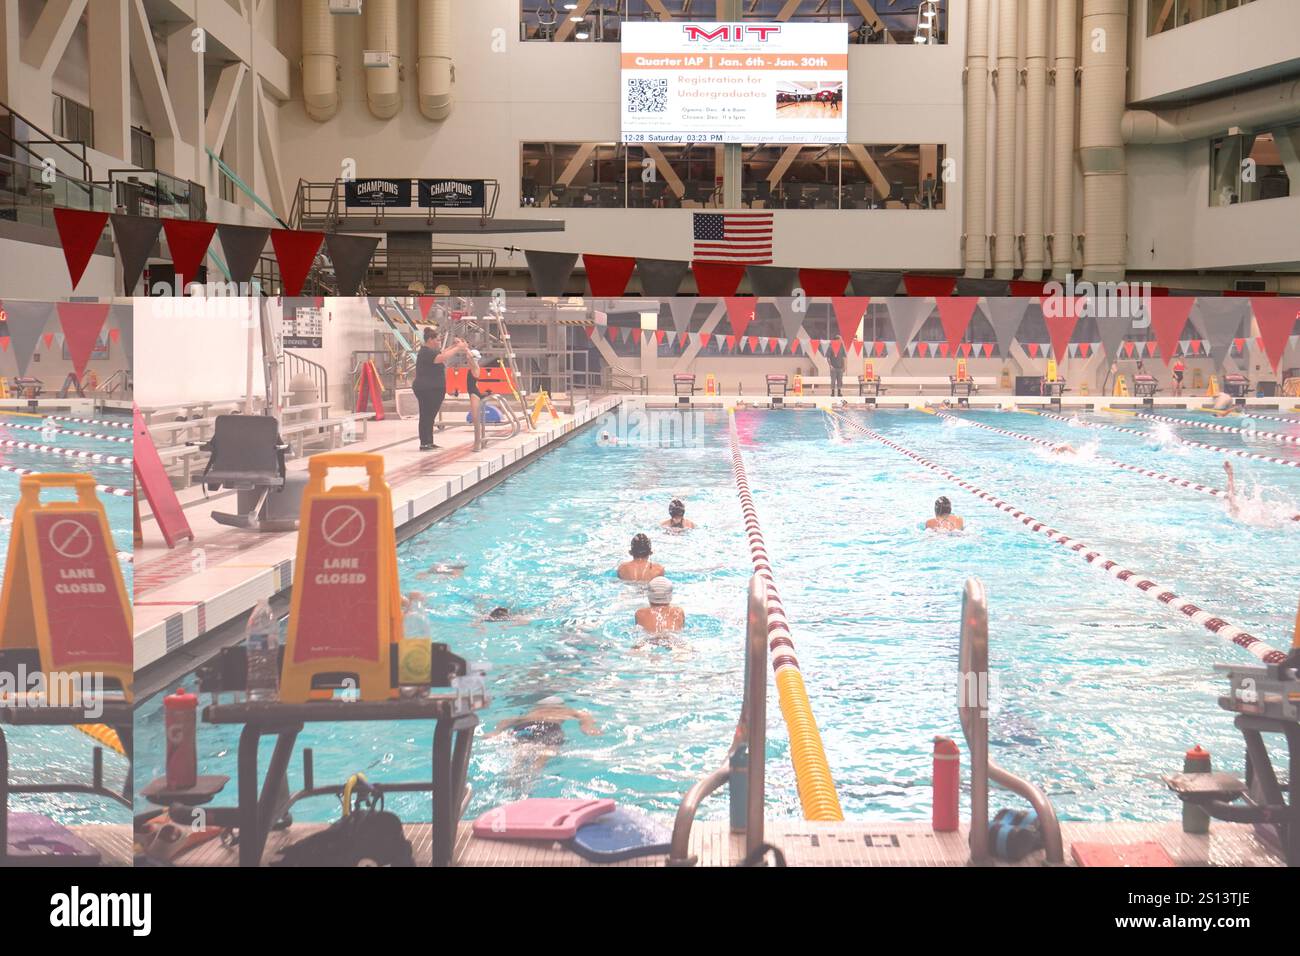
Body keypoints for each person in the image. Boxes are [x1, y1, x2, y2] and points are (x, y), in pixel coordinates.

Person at [487, 696, 602, 782]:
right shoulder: (565, 710)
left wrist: (496, 732)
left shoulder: (531, 713)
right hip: (549, 728)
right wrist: (587, 726)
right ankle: (529, 785)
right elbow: (584, 715)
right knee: (542, 759)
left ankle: (511, 784)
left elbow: (506, 721)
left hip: (526, 727)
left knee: (518, 758)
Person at [413, 327, 470, 451]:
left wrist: (454, 346)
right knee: (426, 416)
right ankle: (424, 443)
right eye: (437, 340)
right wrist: (458, 348)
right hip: (427, 388)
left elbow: (442, 353)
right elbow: (442, 358)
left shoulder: (431, 351)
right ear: (430, 340)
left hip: (432, 388)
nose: (439, 342)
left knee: (430, 416)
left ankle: (429, 441)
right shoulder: (426, 352)